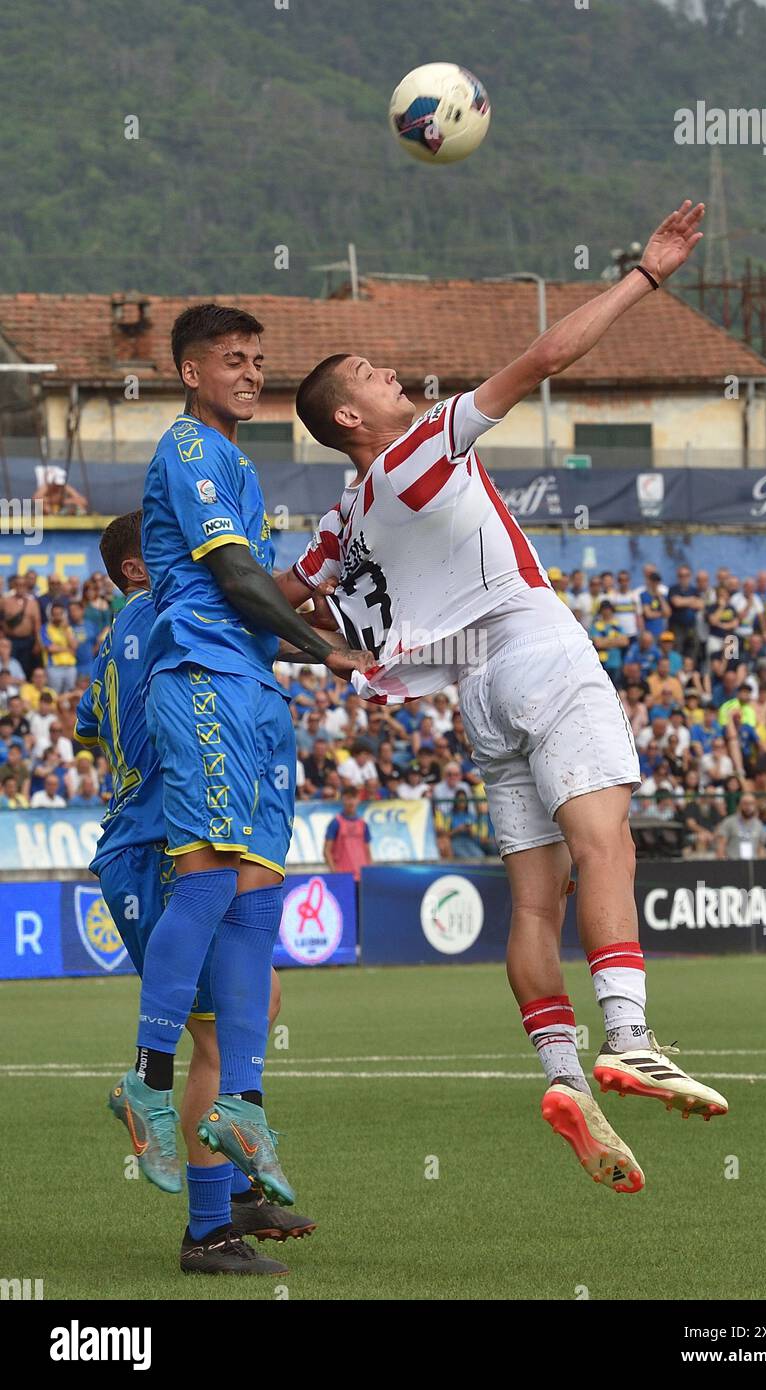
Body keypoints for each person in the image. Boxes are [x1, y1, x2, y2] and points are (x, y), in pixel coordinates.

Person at [287, 200, 726, 1197]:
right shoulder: (419, 448)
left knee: (534, 899)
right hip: (533, 650)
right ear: (351, 420)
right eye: (371, 377)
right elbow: (539, 361)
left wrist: (182, 584)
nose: (393, 376)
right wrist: (643, 276)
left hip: (475, 698)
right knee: (605, 844)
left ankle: (563, 1076)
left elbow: (288, 596)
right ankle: (629, 1037)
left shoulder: (344, 514)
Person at [108, 305, 369, 1215]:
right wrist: (325, 648)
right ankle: (144, 1079)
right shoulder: (188, 450)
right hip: (206, 682)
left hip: (252, 690)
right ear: (189, 373)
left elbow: (264, 602)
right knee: (212, 878)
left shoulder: (239, 463)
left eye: (260, 360)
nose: (253, 372)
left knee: (260, 897)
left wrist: (331, 639)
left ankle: (246, 1107)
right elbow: (235, 584)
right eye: (233, 359)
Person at [77, 513, 314, 1273]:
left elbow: (90, 723)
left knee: (260, 1000)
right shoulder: (175, 617)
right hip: (165, 849)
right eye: (167, 548)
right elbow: (270, 622)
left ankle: (233, 1185)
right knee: (213, 1040)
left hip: (146, 838)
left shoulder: (125, 633)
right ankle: (210, 1231)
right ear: (138, 571)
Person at [323, 786, 372, 880]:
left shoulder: (363, 824)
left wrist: (369, 873)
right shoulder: (336, 823)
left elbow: (367, 852)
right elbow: (326, 851)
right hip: (343, 876)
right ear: (343, 800)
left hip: (361, 876)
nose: (351, 802)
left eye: (354, 798)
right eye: (348, 798)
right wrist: (335, 873)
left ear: (358, 800)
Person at [715, 793, 766, 860]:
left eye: (751, 803)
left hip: (753, 864)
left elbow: (761, 848)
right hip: (733, 862)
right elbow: (721, 846)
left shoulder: (759, 825)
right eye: (745, 803)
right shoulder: (729, 822)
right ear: (740, 805)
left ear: (755, 805)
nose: (748, 807)